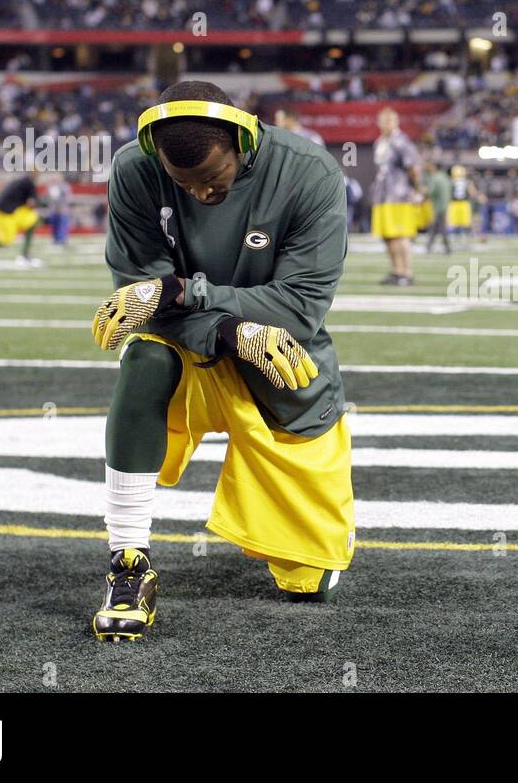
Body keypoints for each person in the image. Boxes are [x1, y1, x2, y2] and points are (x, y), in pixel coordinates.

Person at [89, 80, 353, 641]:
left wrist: (185, 291)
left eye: (213, 180)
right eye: (184, 186)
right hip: (197, 351)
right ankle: (128, 562)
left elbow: (300, 307)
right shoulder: (135, 171)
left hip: (280, 363)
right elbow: (140, 305)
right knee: (144, 361)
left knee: (311, 584)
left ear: (242, 143)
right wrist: (232, 327)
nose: (201, 195)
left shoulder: (310, 173)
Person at [370, 107, 423, 285]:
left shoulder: (401, 141)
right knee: (388, 236)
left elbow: (413, 167)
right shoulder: (380, 142)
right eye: (384, 120)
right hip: (383, 196)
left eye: (390, 120)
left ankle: (407, 273)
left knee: (401, 235)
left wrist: (417, 189)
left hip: (399, 195)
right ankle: (397, 271)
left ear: (397, 122)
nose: (387, 124)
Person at [0, 173, 43, 267]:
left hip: (13, 212)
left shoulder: (23, 181)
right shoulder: (28, 183)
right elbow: (31, 203)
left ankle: (25, 254)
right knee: (5, 241)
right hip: (4, 213)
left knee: (32, 221)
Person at [423, 161, 452, 254]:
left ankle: (446, 247)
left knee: (440, 227)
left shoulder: (435, 178)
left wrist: (423, 192)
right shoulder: (446, 178)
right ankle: (429, 246)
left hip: (438, 206)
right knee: (436, 227)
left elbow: (431, 192)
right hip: (445, 205)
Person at [447, 164, 477, 246]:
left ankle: (462, 240)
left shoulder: (452, 181)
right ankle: (467, 241)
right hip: (462, 204)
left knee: (460, 223)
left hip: (457, 204)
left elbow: (472, 192)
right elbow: (473, 193)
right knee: (462, 223)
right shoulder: (466, 181)